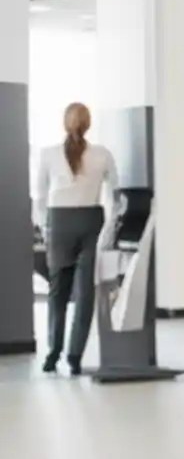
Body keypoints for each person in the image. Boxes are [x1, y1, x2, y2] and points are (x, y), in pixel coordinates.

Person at [33, 102, 118, 376]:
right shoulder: (103, 154)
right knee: (85, 294)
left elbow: (40, 198)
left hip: (58, 223)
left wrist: (45, 227)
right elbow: (115, 197)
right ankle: (74, 356)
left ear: (64, 124)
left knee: (58, 292)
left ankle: (53, 353)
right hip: (91, 222)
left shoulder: (47, 155)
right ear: (89, 124)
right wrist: (109, 230)